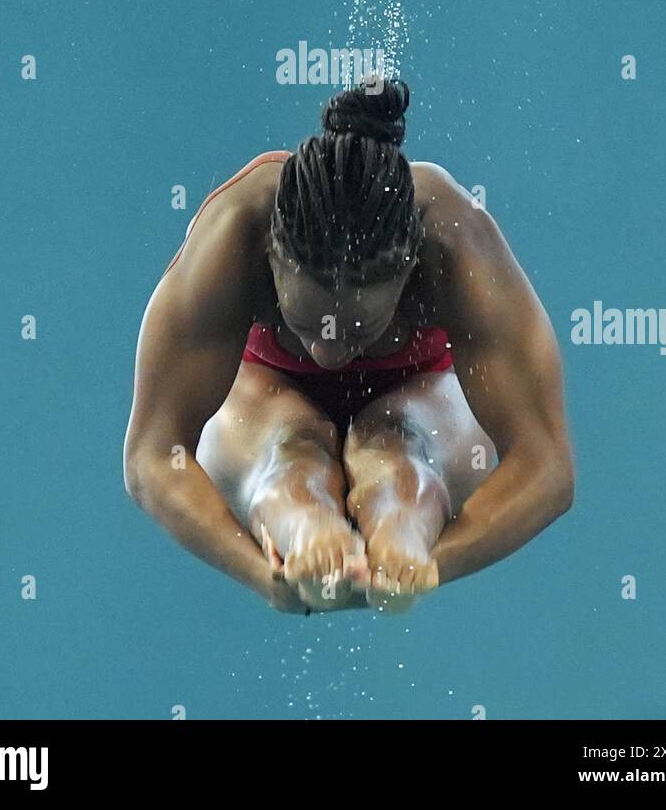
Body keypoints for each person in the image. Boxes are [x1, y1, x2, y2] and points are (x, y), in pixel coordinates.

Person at [123, 79, 574, 614]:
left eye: (361, 330)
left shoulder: (457, 242)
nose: (328, 354)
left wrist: (435, 564)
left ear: (411, 268)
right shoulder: (232, 232)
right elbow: (152, 456)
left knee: (400, 454)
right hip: (269, 387)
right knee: (290, 460)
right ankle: (301, 521)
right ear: (269, 256)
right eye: (304, 323)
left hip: (420, 386)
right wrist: (261, 576)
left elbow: (545, 466)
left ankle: (403, 519)